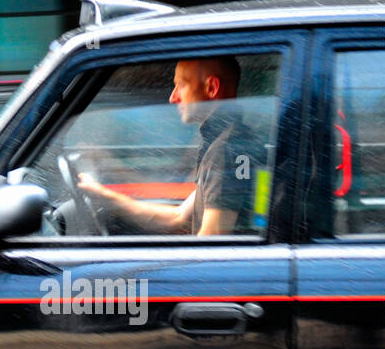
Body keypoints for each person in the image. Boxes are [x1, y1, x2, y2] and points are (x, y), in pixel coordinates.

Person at [76, 56, 258, 235]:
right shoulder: (222, 143)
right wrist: (107, 198)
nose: (173, 98)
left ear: (211, 88)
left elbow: (212, 241)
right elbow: (178, 217)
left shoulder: (228, 149)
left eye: (181, 85)